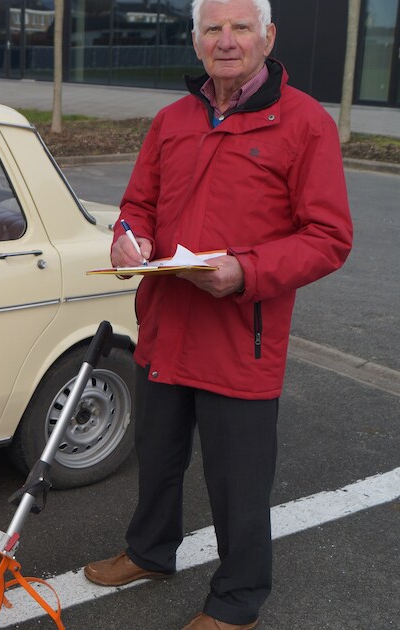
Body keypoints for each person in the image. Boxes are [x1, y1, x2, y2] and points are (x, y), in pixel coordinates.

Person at [82, 0, 354, 629]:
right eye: (213, 28)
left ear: (268, 37)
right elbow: (136, 204)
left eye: (240, 27)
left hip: (241, 339)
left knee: (239, 484)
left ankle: (237, 602)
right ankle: (150, 553)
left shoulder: (305, 124)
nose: (226, 40)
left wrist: (245, 272)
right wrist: (129, 238)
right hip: (166, 329)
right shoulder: (173, 120)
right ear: (197, 41)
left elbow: (328, 237)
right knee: (158, 457)